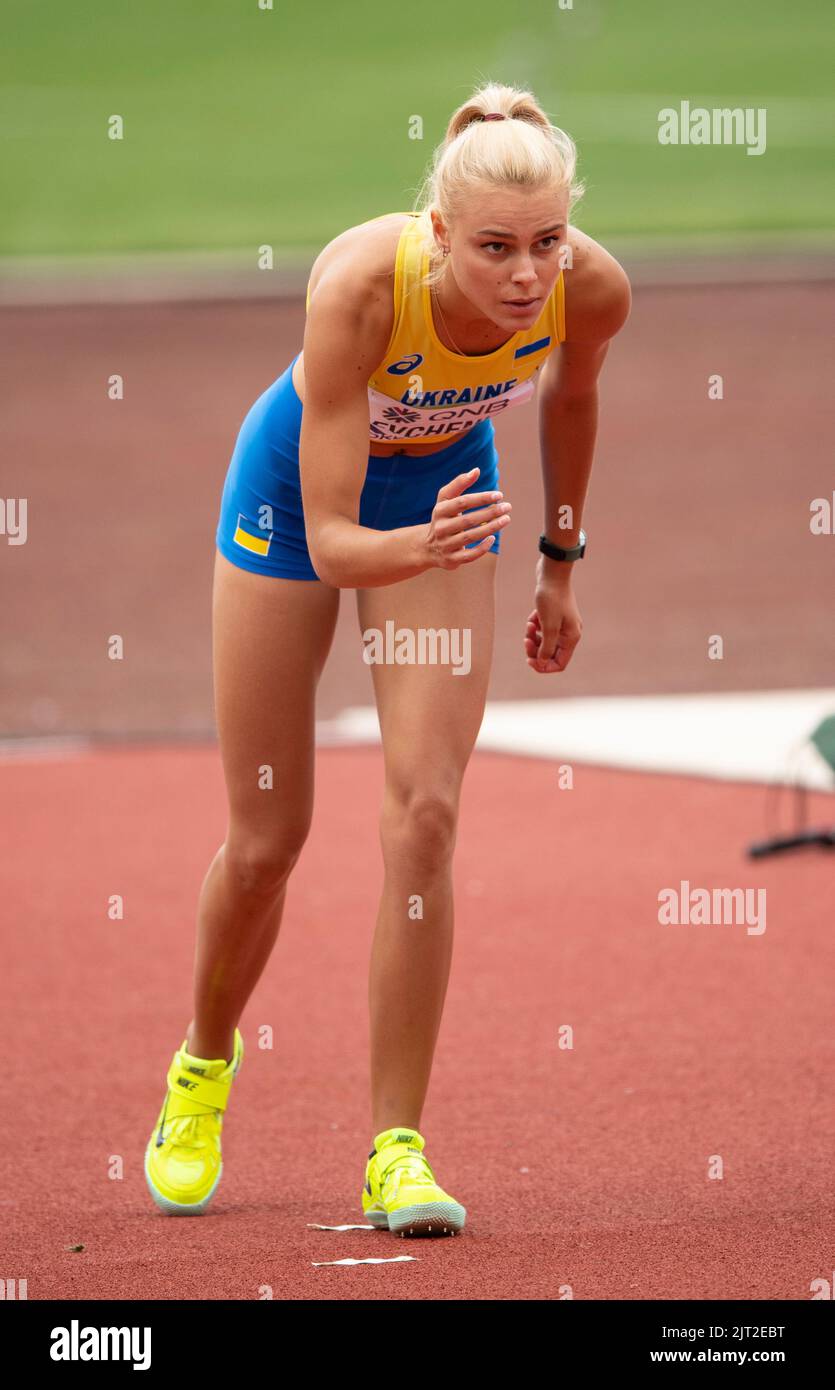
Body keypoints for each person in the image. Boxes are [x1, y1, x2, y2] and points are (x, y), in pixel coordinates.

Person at [144, 80, 631, 1237]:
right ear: (437, 234)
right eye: (498, 248)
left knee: (425, 817)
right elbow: (330, 538)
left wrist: (559, 563)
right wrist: (408, 548)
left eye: (548, 243)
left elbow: (571, 400)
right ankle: (204, 1066)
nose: (527, 275)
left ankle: (395, 1150)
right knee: (268, 839)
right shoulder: (363, 284)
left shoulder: (588, 290)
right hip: (300, 509)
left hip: (445, 504)